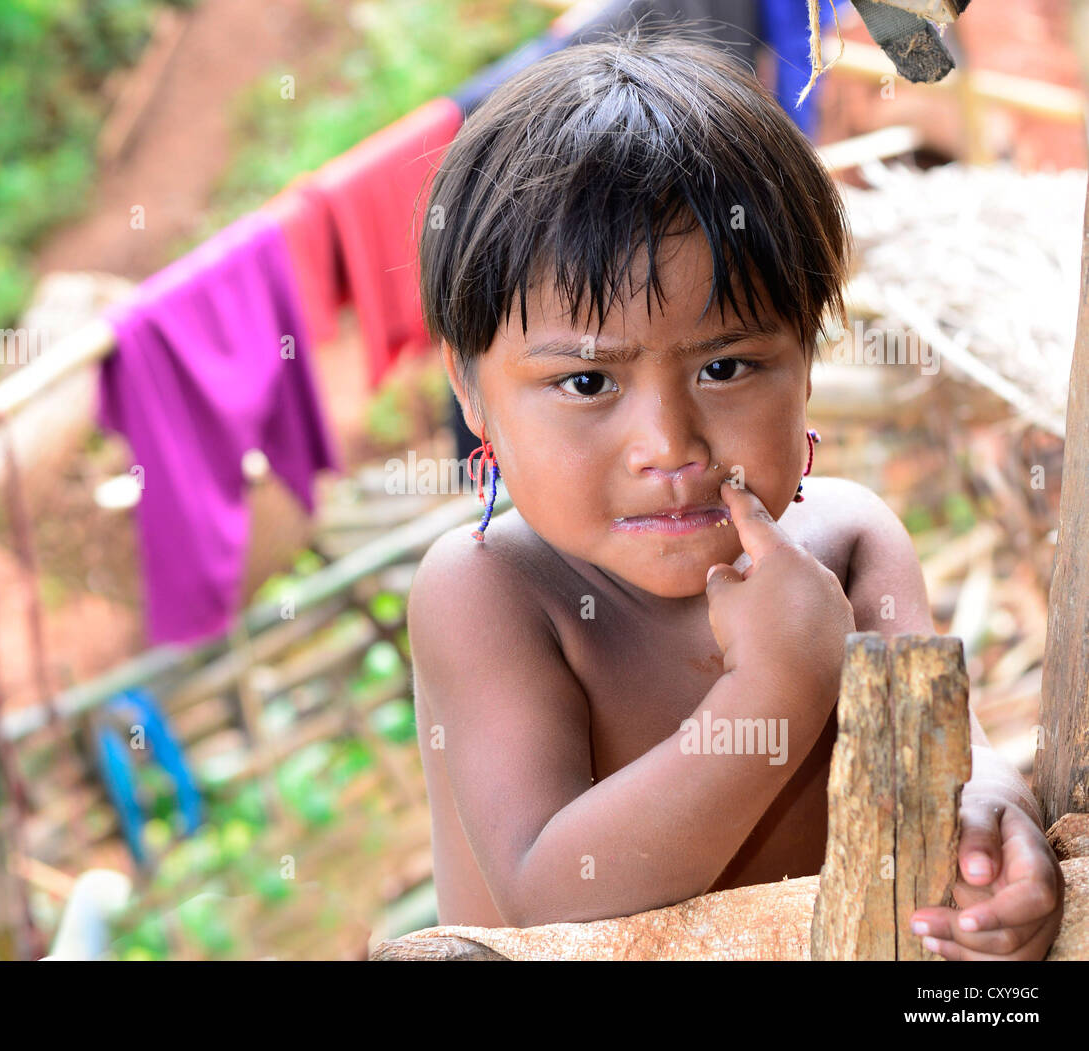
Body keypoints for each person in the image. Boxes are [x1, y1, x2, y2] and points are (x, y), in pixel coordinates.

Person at [407, 34, 1064, 960]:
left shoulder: (851, 543)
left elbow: (949, 756)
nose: (670, 445)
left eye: (726, 365)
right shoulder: (491, 594)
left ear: (807, 357)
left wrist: (996, 825)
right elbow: (550, 893)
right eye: (588, 383)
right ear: (472, 390)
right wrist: (775, 688)